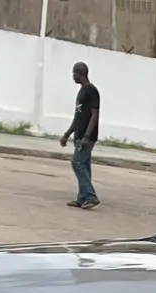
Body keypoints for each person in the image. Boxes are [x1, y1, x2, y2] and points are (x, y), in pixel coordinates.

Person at [60, 62, 100, 209]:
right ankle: (82, 198)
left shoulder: (91, 91)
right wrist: (67, 134)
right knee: (84, 165)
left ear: (80, 73)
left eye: (74, 73)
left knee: (77, 163)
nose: (73, 76)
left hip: (87, 137)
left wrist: (87, 136)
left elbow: (94, 115)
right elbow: (78, 116)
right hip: (79, 135)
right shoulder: (81, 91)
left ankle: (91, 196)